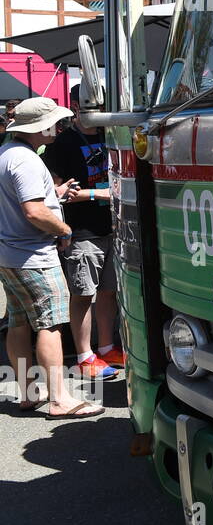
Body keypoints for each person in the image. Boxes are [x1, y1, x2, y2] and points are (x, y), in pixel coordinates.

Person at [0, 97, 103, 418]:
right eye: (55, 121)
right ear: (40, 126)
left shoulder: (6, 153)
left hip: (11, 252)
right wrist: (64, 229)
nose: (59, 126)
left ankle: (30, 393)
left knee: (19, 323)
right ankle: (60, 398)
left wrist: (53, 196)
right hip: (34, 254)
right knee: (50, 324)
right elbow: (33, 211)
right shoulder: (26, 160)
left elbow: (26, 202)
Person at [45, 85, 121, 375]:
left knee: (109, 291)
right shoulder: (62, 144)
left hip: (111, 227)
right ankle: (84, 356)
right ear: (76, 105)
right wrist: (98, 194)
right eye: (93, 105)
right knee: (83, 295)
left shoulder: (110, 135)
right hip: (81, 231)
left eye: (103, 105)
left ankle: (106, 348)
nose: (99, 111)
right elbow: (57, 191)